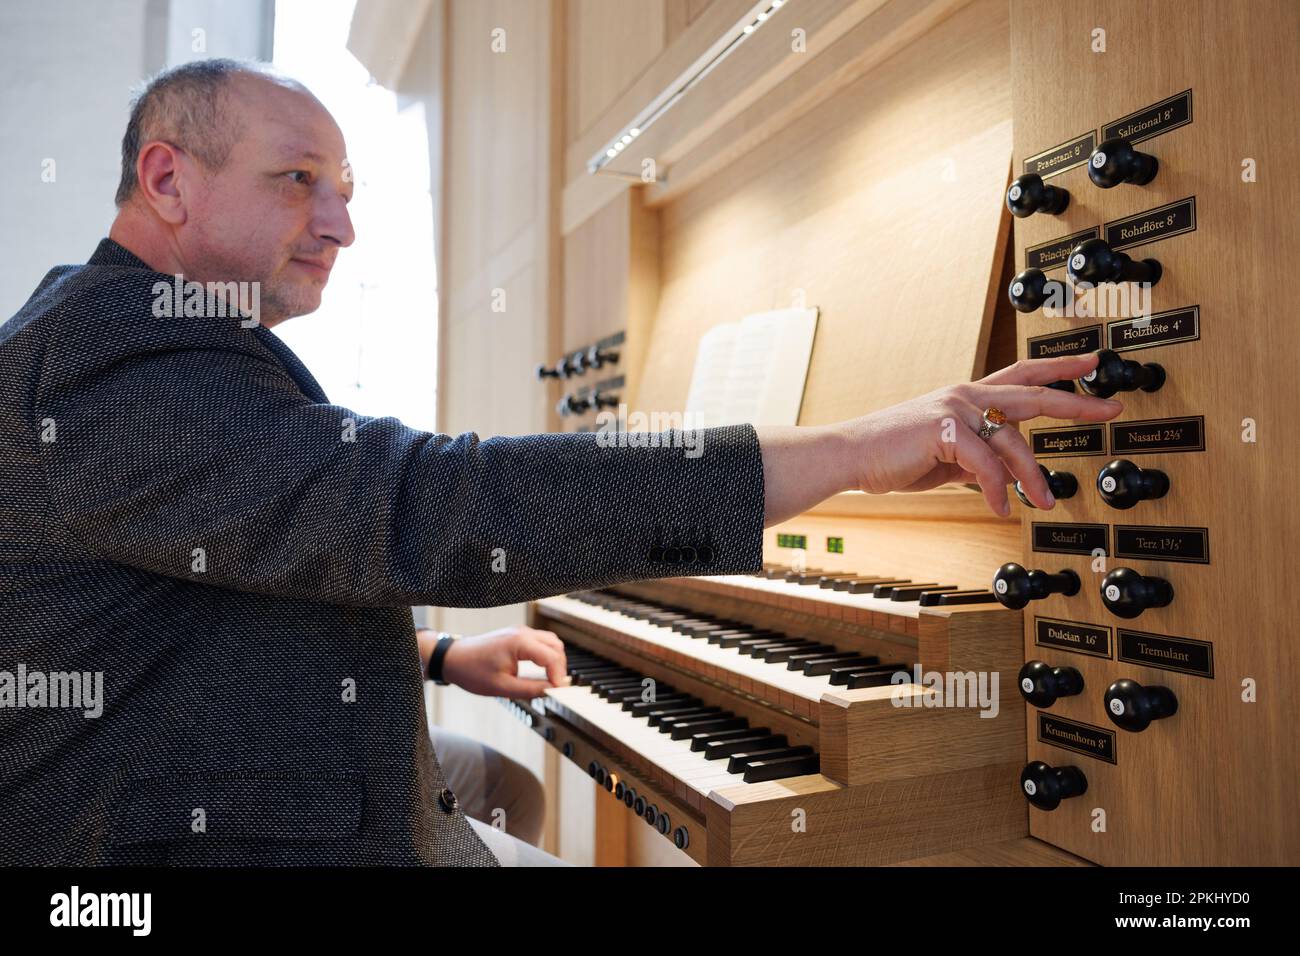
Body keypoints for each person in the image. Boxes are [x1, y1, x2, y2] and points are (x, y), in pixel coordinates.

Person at [0, 59, 1122, 867]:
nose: (341, 223)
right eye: (299, 178)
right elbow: (426, 501)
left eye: (346, 186)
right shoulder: (118, 352)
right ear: (167, 178)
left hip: (184, 760)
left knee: (499, 778)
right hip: (137, 832)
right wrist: (851, 448)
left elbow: (209, 575)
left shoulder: (141, 336)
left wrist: (438, 656)